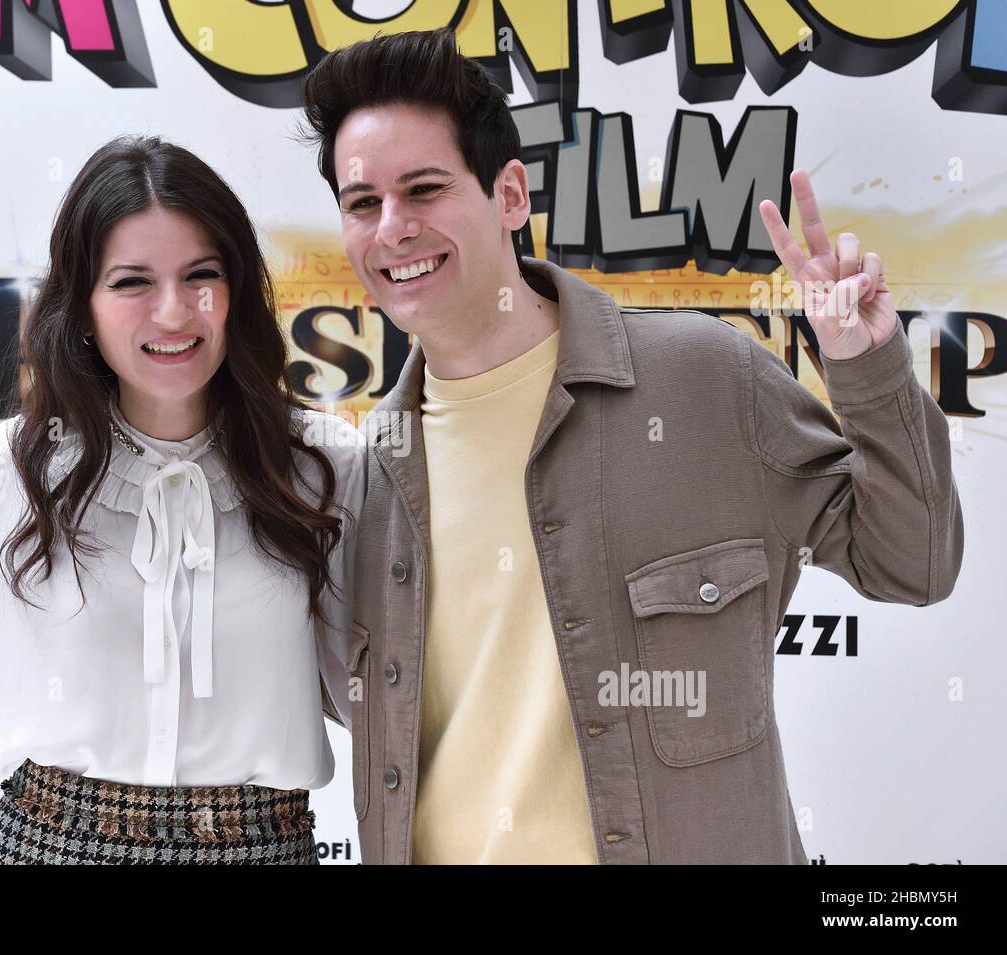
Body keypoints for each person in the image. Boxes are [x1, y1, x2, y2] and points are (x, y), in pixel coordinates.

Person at [296, 28, 963, 864]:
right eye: (363, 203)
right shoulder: (364, 480)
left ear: (508, 194)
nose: (392, 229)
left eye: (423, 189)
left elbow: (916, 560)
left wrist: (867, 366)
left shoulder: (704, 379)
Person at [0, 135, 366, 865]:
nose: (174, 312)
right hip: (47, 846)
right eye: (132, 282)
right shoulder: (15, 471)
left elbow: (403, 681)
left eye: (201, 275)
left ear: (236, 291)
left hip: (262, 846)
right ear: (82, 307)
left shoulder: (321, 466)